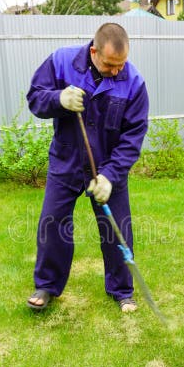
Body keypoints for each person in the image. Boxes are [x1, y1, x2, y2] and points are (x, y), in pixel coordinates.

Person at [25, 22, 149, 313]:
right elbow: (34, 98)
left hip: (108, 165)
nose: (116, 71)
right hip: (66, 161)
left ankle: (122, 290)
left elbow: (134, 136)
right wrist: (58, 99)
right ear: (94, 51)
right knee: (53, 223)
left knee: (116, 227)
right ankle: (47, 285)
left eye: (121, 64)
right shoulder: (61, 62)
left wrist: (111, 175)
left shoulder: (134, 81)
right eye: (109, 64)